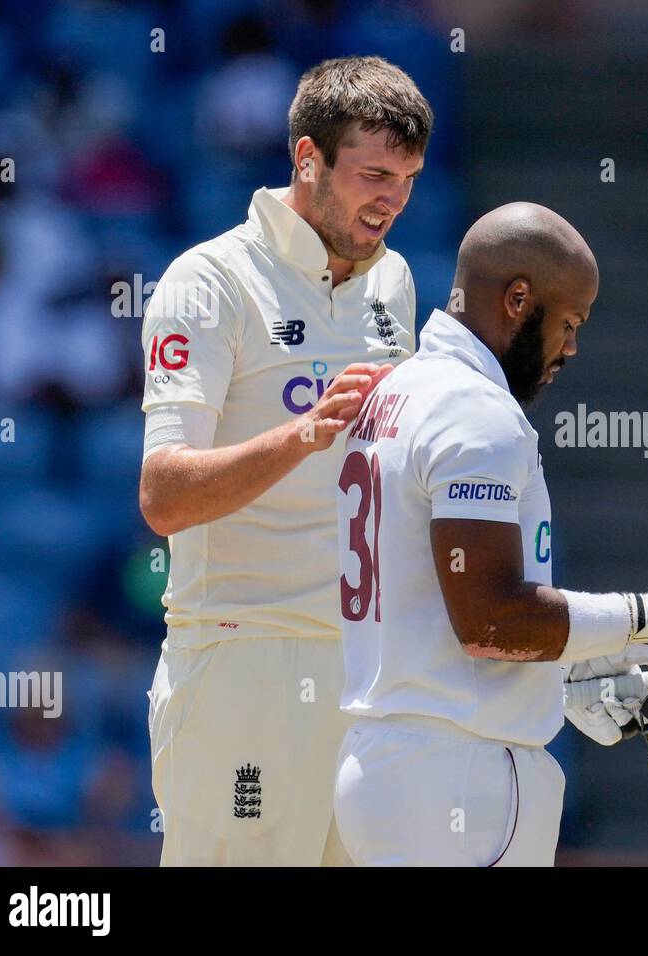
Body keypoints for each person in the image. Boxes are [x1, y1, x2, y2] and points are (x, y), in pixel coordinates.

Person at [332, 202, 648, 866]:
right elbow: (489, 621)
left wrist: (564, 672)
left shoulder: (403, 390)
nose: (571, 346)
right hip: (455, 782)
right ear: (518, 298)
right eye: (569, 322)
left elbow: (443, 614)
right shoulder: (475, 409)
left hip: (399, 766)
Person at [139, 56, 432, 865]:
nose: (393, 201)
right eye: (374, 174)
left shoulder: (396, 282)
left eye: (408, 179)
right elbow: (163, 495)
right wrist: (305, 433)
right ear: (307, 160)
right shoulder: (208, 281)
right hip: (242, 663)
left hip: (367, 677)